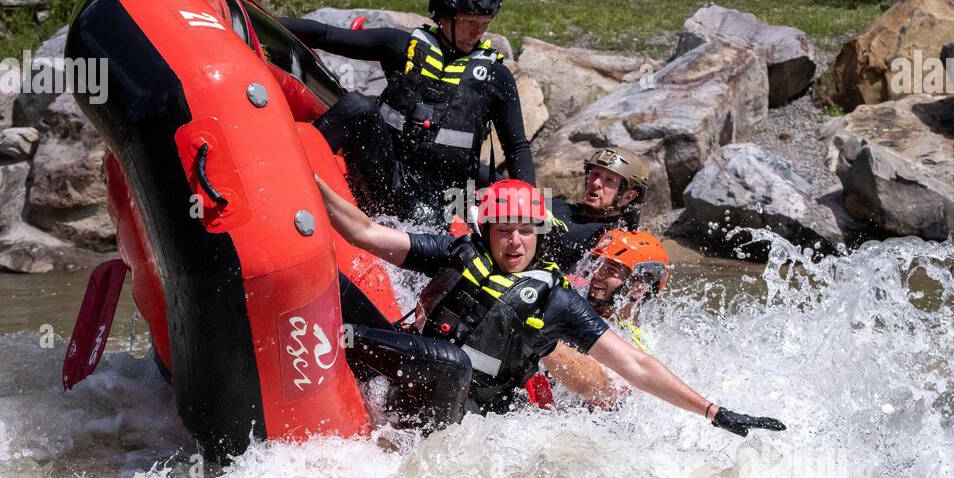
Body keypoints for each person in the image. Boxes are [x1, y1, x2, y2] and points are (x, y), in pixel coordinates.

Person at [317, 175, 786, 438]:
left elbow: (632, 367)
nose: (516, 240)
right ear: (486, 232)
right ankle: (325, 345)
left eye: (526, 230)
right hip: (409, 370)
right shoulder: (457, 253)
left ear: (539, 234)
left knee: (452, 361)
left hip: (458, 411)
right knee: (334, 285)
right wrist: (305, 176)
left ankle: (336, 344)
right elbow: (364, 234)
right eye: (504, 230)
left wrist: (712, 411)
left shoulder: (555, 302)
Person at [283, 0, 535, 222]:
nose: (476, 32)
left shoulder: (496, 76)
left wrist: (529, 209)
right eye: (470, 22)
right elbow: (325, 35)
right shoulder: (401, 46)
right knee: (356, 105)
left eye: (484, 24)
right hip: (384, 174)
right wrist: (251, 18)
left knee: (492, 184)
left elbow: (516, 147)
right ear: (444, 17)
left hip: (439, 201)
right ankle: (290, 181)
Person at [545, 146, 648, 269]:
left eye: (609, 180)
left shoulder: (613, 241)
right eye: (595, 174)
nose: (595, 183)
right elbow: (522, 193)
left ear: (628, 196)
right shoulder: (557, 204)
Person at [583, 229, 671, 351]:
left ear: (639, 288)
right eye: (596, 263)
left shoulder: (632, 346)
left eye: (611, 270)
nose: (596, 274)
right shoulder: (572, 292)